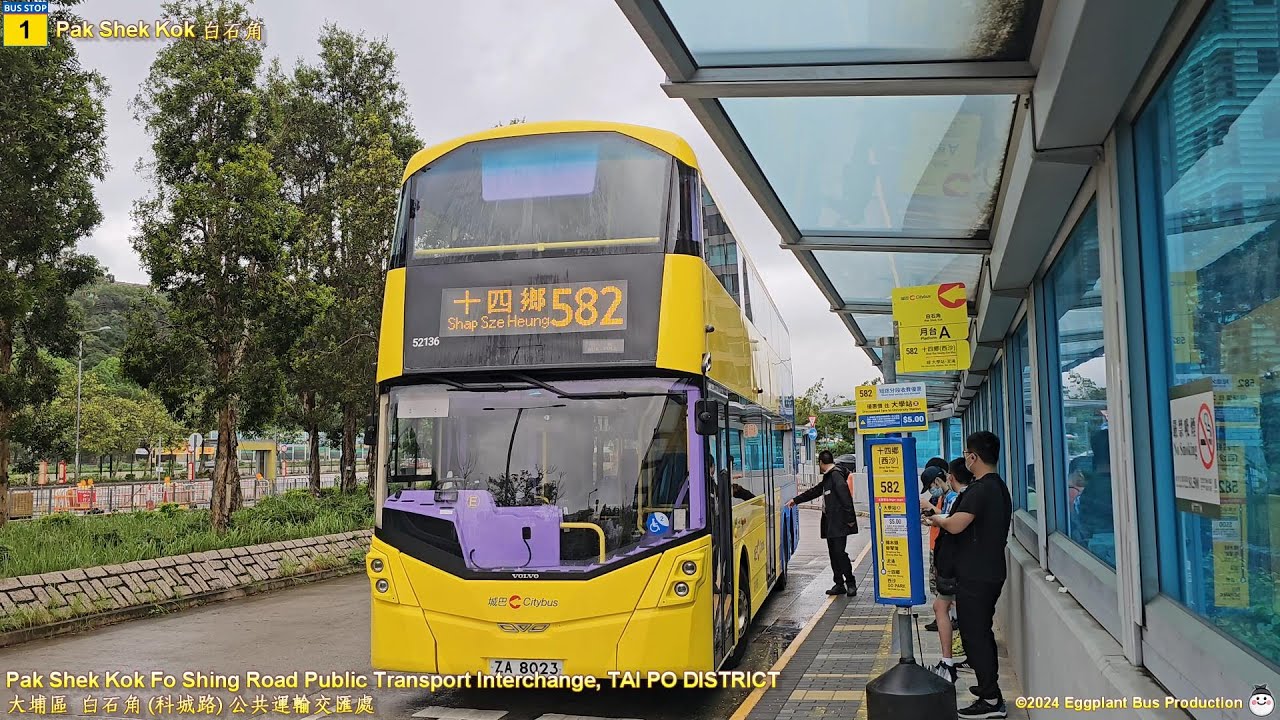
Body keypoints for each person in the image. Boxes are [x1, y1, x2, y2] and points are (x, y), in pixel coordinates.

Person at [925, 432, 1012, 719]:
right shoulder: (998, 487)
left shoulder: (981, 490)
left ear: (973, 457)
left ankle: (990, 700)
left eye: (966, 455)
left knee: (976, 636)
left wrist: (937, 518)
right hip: (988, 571)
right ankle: (987, 689)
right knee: (979, 632)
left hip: (978, 575)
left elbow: (956, 525)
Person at [925, 457, 972, 683]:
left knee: (942, 606)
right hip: (959, 565)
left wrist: (936, 517)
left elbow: (953, 525)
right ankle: (954, 659)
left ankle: (948, 663)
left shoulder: (959, 497)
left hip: (954, 565)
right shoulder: (967, 496)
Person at [787, 450, 858, 596]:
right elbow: (815, 491)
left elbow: (846, 499)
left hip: (840, 523)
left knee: (839, 553)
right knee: (833, 553)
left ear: (820, 463)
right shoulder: (828, 477)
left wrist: (850, 520)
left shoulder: (836, 476)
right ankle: (839, 584)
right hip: (831, 523)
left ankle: (850, 582)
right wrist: (796, 500)